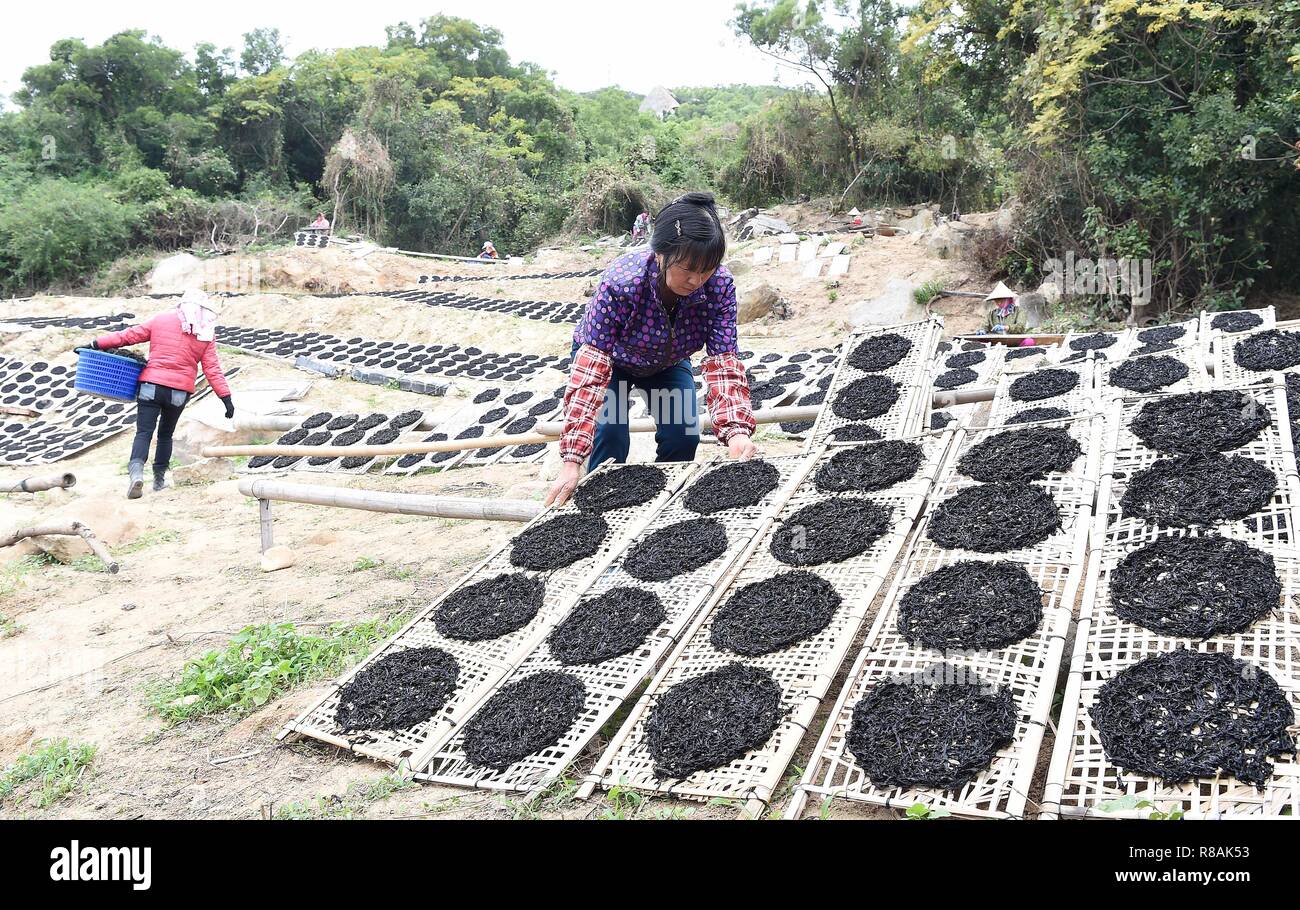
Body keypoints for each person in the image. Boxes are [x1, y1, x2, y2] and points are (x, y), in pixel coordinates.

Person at [545, 192, 758, 508]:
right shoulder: (623, 282)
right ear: (661, 253)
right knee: (611, 437)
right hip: (611, 361)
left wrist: (737, 431)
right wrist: (572, 460)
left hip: (667, 363)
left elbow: (723, 360)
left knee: (682, 435)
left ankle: (661, 510)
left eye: (707, 269)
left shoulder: (719, 286)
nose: (696, 280)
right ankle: (604, 509)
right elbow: (590, 372)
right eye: (687, 268)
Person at [85, 289, 234, 499]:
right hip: (179, 392)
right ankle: (159, 481)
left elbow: (128, 336)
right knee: (165, 434)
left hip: (151, 386)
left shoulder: (161, 319)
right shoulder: (205, 333)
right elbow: (212, 369)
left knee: (143, 432)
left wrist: (95, 343)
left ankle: (136, 473)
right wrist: (226, 399)